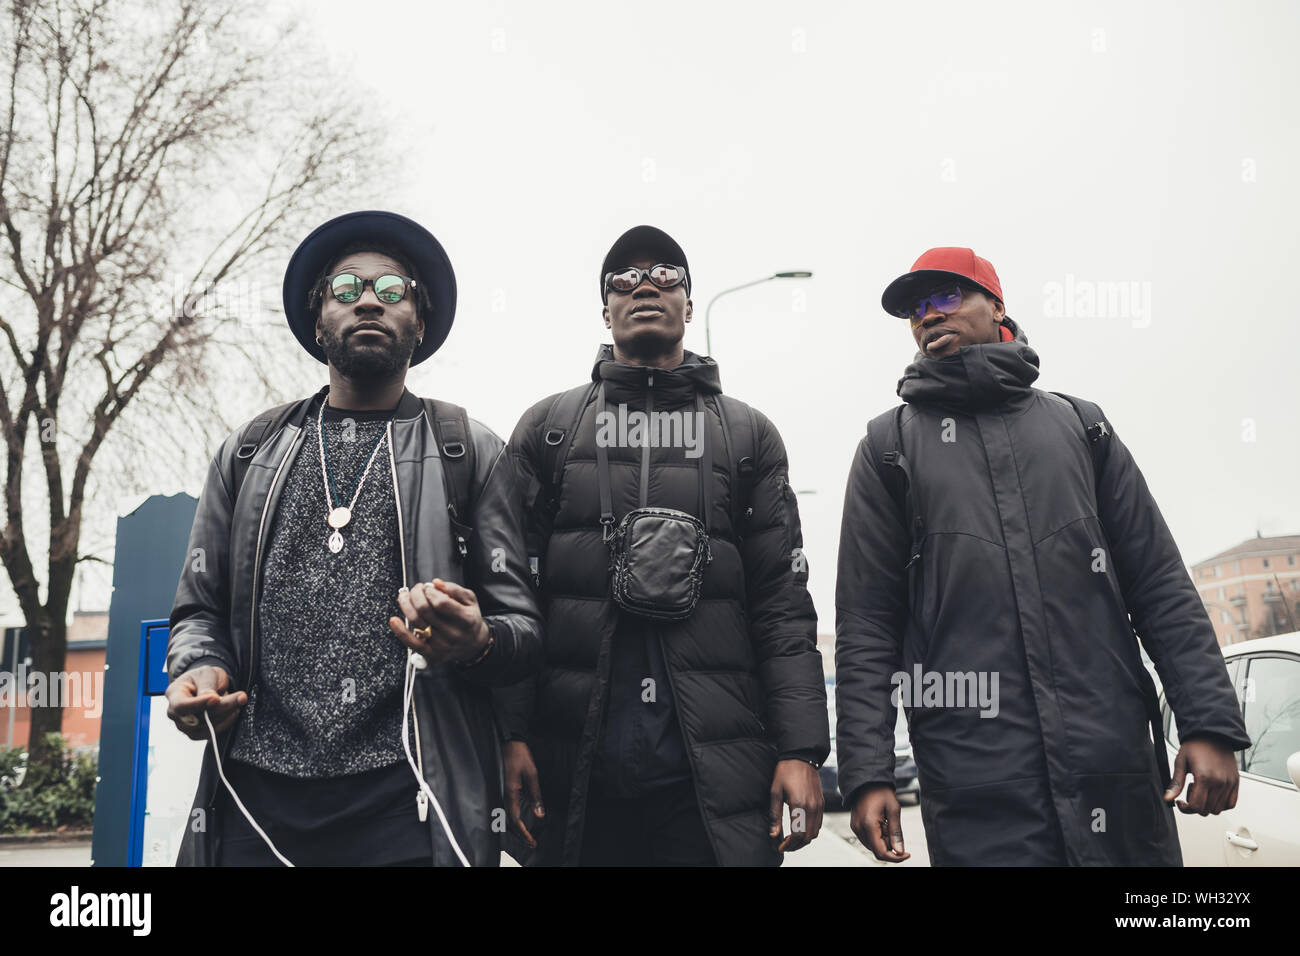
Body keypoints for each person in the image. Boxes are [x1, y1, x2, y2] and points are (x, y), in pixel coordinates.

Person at [834, 246, 1250, 866]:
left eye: (945, 296)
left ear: (996, 303)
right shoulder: (888, 448)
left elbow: (1159, 581)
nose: (927, 316)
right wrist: (868, 773)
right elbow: (867, 625)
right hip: (979, 783)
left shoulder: (1082, 428)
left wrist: (1208, 723)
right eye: (915, 309)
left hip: (1116, 768)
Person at [165, 210, 542, 866]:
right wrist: (199, 671)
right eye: (347, 290)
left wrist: (477, 641)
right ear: (318, 321)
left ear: (419, 324)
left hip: (408, 802)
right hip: (255, 800)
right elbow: (199, 611)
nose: (370, 300)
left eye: (393, 292)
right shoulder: (249, 453)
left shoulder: (468, 451)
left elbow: (524, 634)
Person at [493, 225, 828, 866]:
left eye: (665, 274)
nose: (644, 284)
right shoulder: (549, 429)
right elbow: (512, 595)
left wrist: (801, 749)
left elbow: (782, 604)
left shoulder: (747, 436)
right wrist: (508, 735)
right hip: (576, 769)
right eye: (623, 277)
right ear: (605, 309)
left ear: (689, 304)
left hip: (709, 776)